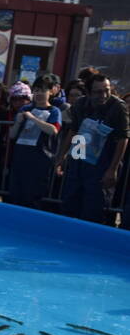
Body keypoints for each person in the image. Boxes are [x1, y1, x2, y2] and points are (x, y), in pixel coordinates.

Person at [56, 73, 128, 223]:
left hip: (102, 164)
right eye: (98, 91)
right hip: (79, 157)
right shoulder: (81, 104)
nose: (104, 95)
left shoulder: (117, 107)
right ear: (88, 92)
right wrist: (62, 156)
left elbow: (123, 138)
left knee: (94, 209)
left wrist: (112, 169)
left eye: (107, 90)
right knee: (70, 203)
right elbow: (73, 130)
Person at [5, 81, 59, 209]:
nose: (39, 93)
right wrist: (18, 122)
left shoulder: (54, 110)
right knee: (15, 194)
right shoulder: (26, 108)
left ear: (50, 92)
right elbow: (12, 135)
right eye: (37, 90)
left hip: (39, 159)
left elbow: (53, 130)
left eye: (43, 90)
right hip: (20, 157)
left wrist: (33, 118)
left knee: (33, 197)